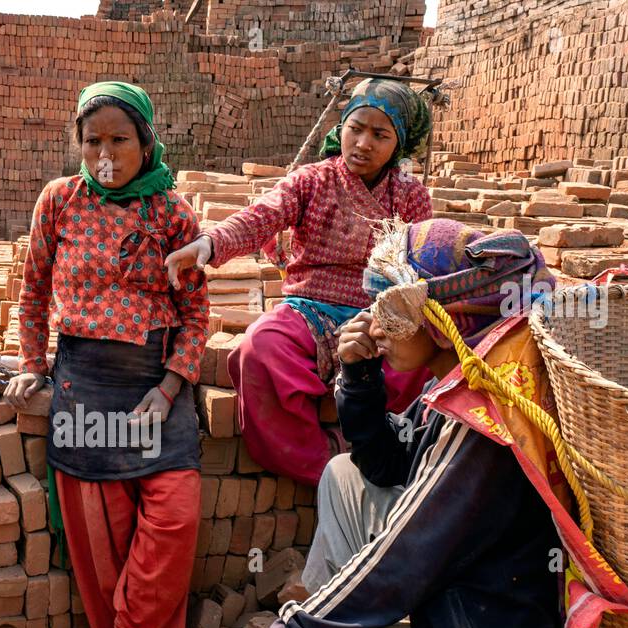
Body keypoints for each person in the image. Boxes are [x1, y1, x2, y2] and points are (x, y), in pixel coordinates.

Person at [81, 218, 563, 628]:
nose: (376, 323)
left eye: (391, 309)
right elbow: (388, 468)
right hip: (463, 610)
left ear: (442, 320)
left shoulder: (481, 427)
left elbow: (403, 553)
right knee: (342, 476)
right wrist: (359, 376)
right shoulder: (473, 374)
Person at [5, 82, 210, 628]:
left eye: (119, 139)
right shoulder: (60, 201)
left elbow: (196, 312)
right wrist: (33, 364)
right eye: (92, 140)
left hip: (154, 382)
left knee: (172, 513)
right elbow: (33, 287)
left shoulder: (172, 213)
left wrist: (172, 384)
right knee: (102, 531)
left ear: (146, 142)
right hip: (85, 380)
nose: (104, 153)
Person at [164, 79, 435, 487]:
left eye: (380, 135)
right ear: (340, 127)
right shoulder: (311, 180)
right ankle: (318, 464)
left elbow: (421, 260)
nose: (363, 143)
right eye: (355, 128)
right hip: (308, 307)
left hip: (377, 312)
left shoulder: (411, 195)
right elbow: (261, 217)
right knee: (260, 349)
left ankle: (380, 452)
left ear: (399, 143)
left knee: (419, 364)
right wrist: (209, 242)